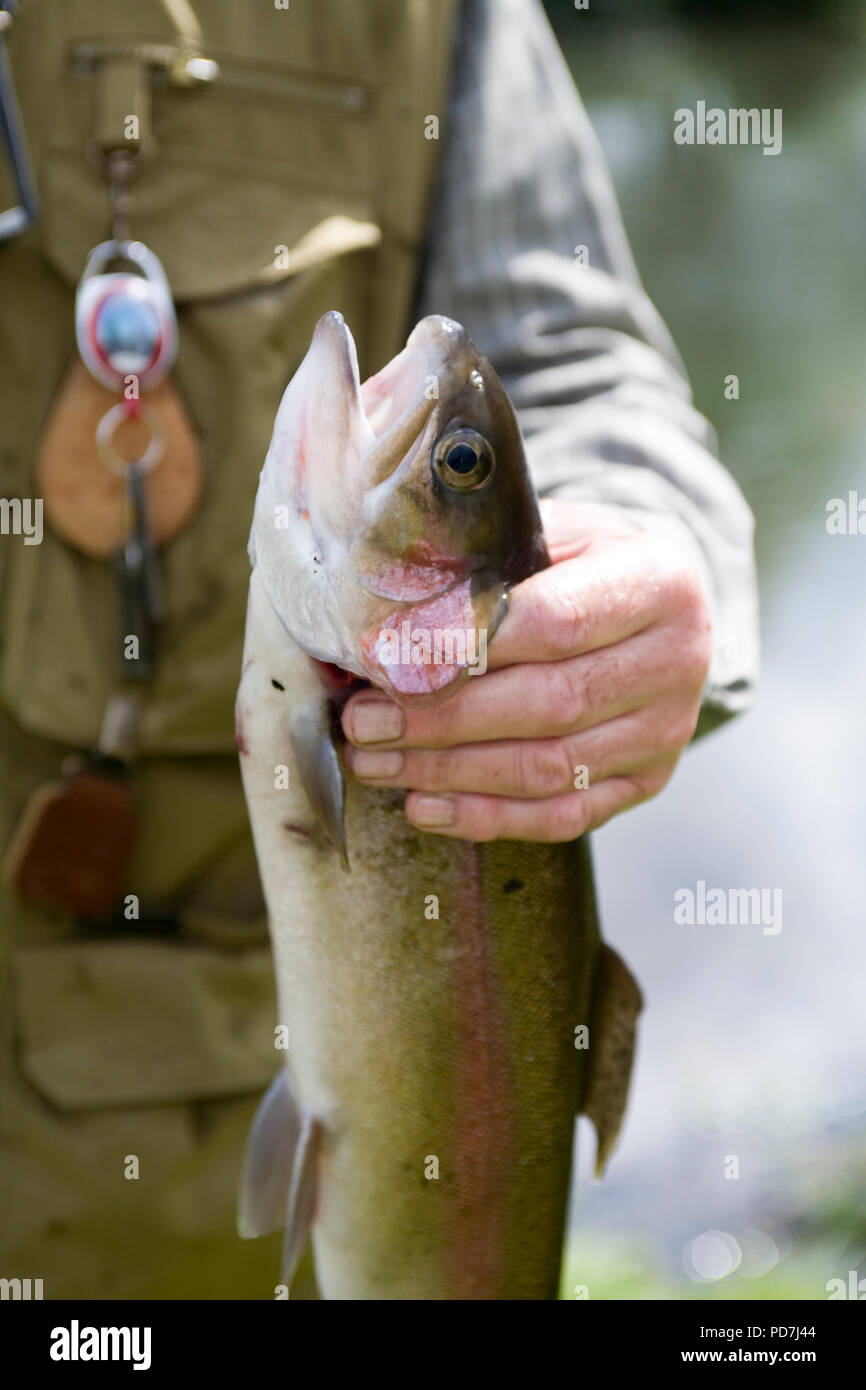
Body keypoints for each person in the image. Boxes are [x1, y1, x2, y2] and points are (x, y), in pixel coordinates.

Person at [0, 0, 757, 1299]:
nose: (430, 408)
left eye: (449, 463)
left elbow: (562, 357)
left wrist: (641, 540)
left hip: (167, 1132)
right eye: (448, 461)